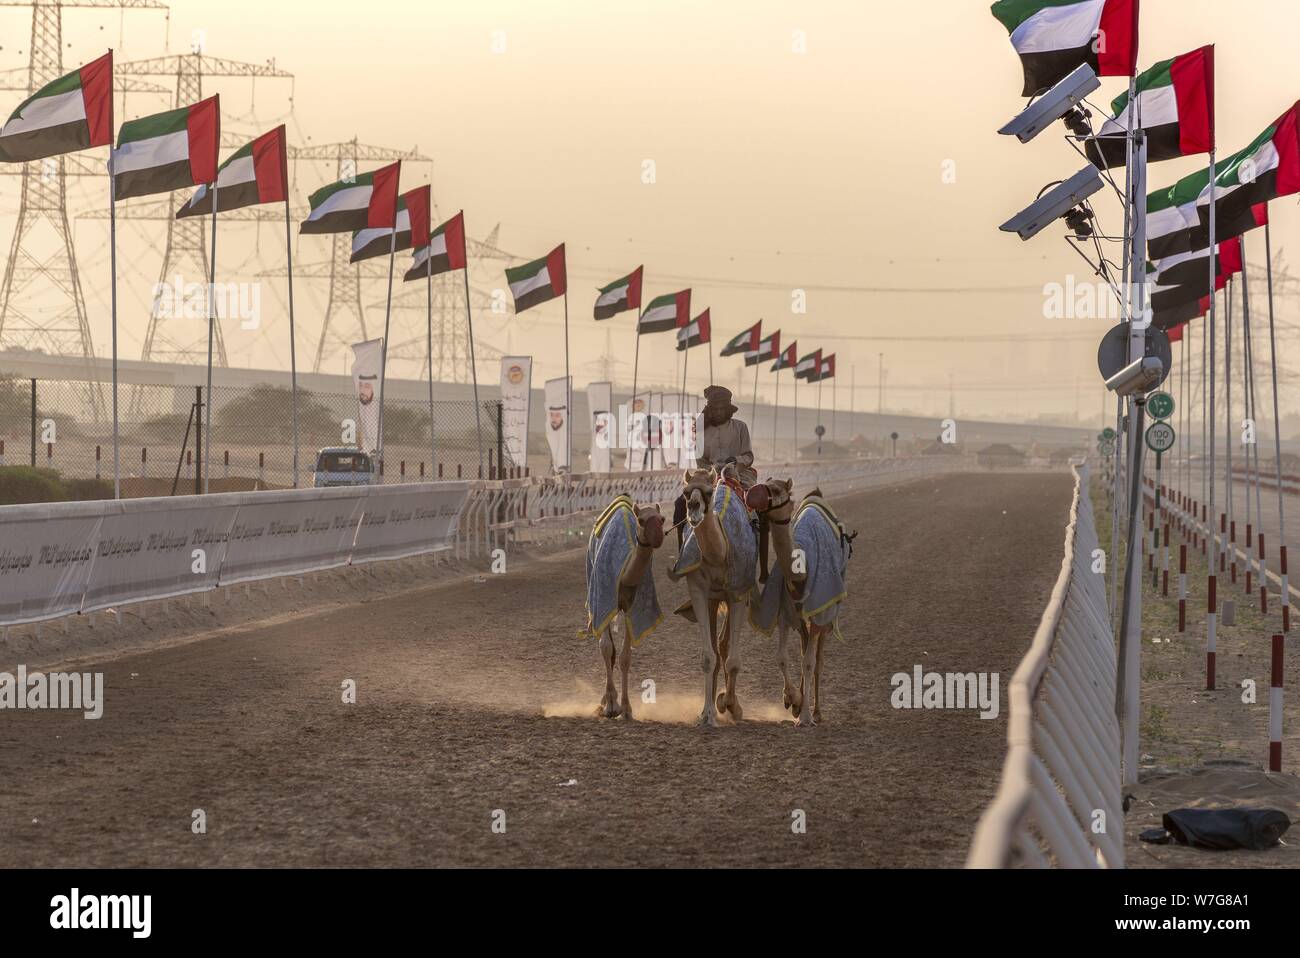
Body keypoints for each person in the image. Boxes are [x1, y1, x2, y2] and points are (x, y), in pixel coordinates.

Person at [673, 385, 757, 550]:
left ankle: (755, 535)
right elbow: (701, 462)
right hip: (711, 479)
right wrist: (713, 474)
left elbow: (749, 456)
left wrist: (735, 461)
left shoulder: (741, 427)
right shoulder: (701, 433)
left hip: (739, 476)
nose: (718, 412)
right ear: (710, 410)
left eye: (721, 408)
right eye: (715, 409)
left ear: (728, 410)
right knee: (680, 505)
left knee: (754, 504)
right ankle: (682, 549)